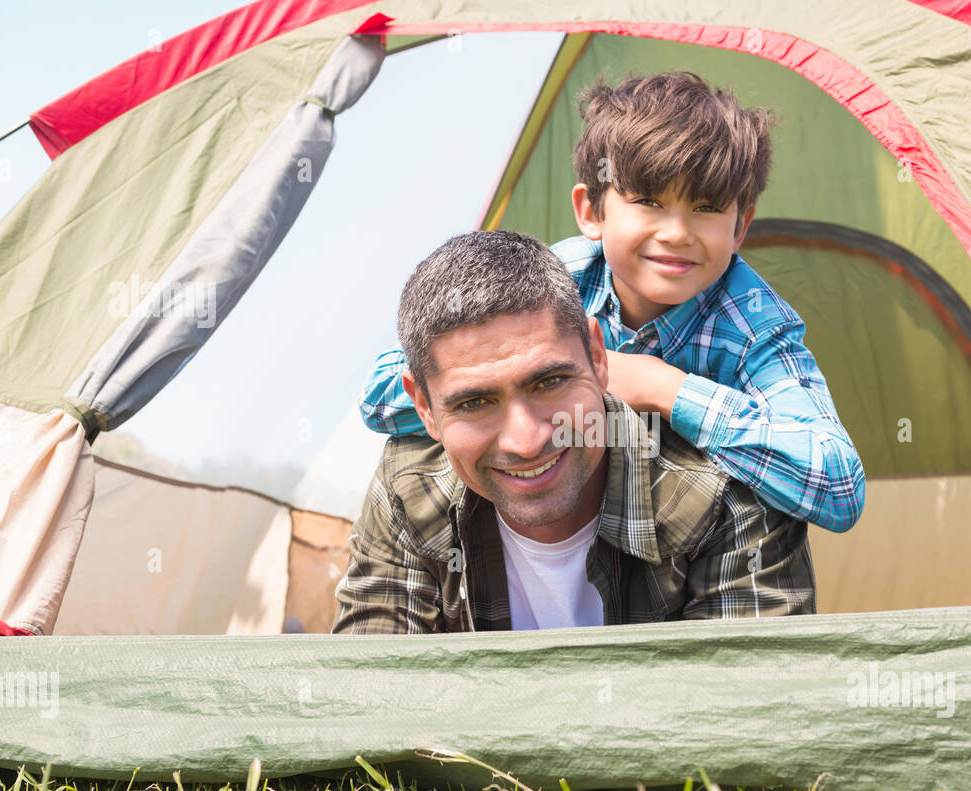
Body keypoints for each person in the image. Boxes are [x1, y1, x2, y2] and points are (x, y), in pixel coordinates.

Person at [358, 71, 865, 532]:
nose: (677, 233)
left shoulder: (756, 326)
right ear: (591, 211)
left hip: (677, 553)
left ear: (741, 227)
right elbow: (381, 395)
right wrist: (549, 392)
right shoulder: (556, 284)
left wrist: (663, 388)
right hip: (547, 520)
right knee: (420, 452)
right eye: (649, 201)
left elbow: (839, 486)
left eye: (706, 208)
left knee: (760, 491)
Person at [331, 230, 815, 634]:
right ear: (424, 409)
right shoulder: (408, 488)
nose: (526, 440)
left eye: (549, 382)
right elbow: (372, 706)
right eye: (474, 402)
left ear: (598, 357)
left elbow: (744, 728)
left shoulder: (727, 498)